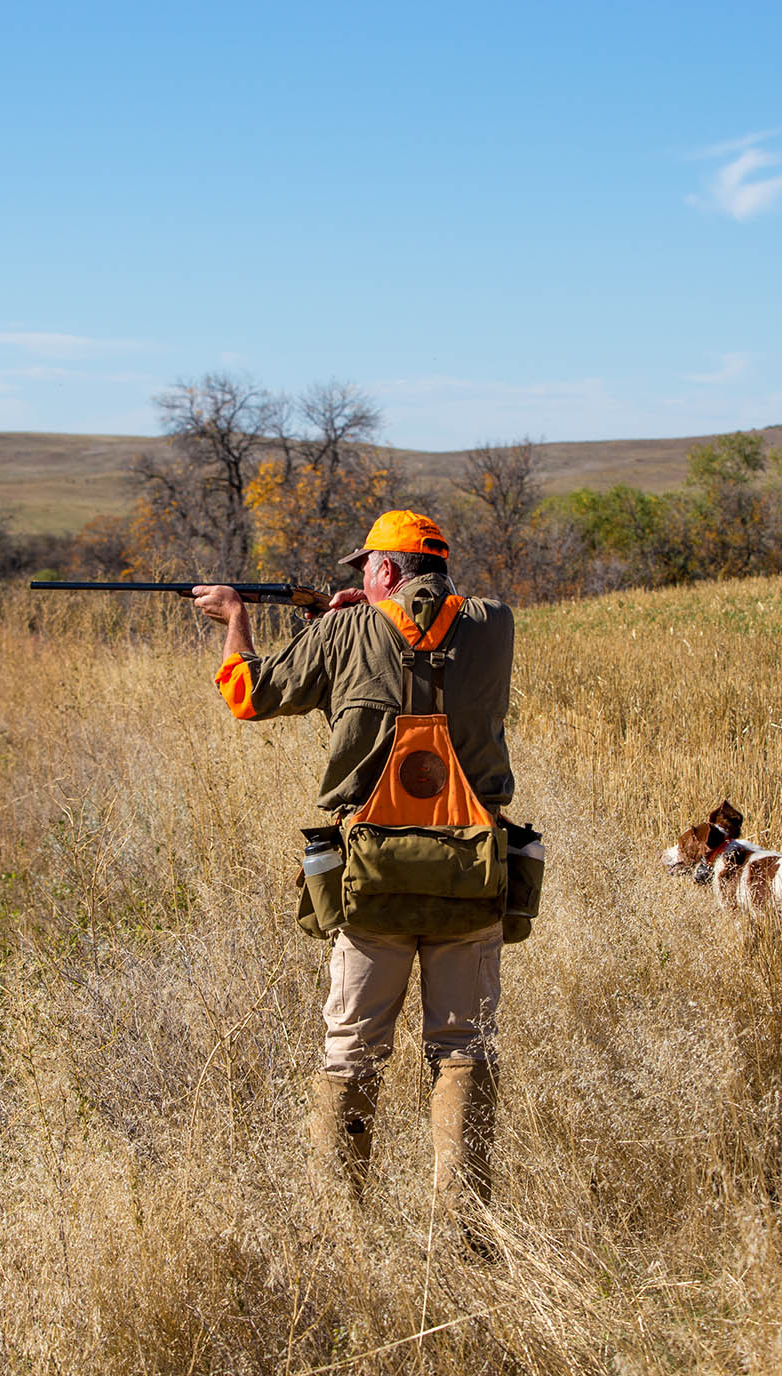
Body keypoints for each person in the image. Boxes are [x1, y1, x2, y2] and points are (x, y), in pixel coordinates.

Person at [191, 510, 519, 1217]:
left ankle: (341, 1224)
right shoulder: (497, 625)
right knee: (464, 1047)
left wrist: (233, 617)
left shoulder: (342, 632)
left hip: (371, 883)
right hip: (473, 875)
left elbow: (246, 696)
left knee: (353, 1052)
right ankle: (462, 1222)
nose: (357, 579)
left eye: (364, 568)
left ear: (385, 572)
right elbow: (425, 637)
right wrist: (346, 618)